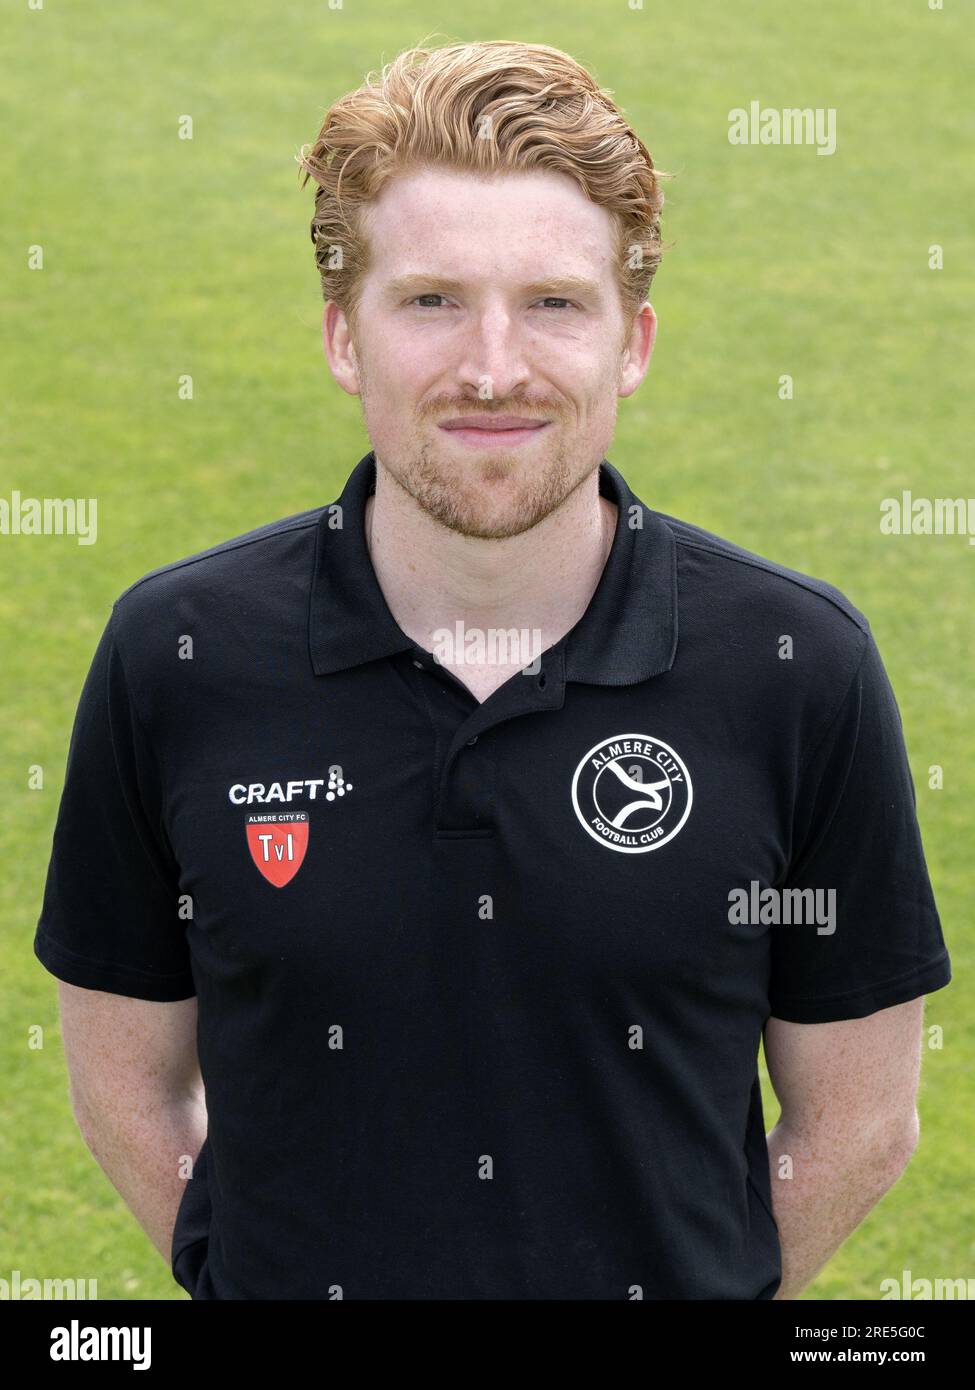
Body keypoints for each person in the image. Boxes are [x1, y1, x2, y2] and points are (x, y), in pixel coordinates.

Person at [34, 39, 951, 1301]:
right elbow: (124, 1081)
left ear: (632, 342)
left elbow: (858, 1121)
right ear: (342, 337)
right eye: (431, 301)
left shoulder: (798, 670)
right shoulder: (175, 656)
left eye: (554, 304)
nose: (492, 367)